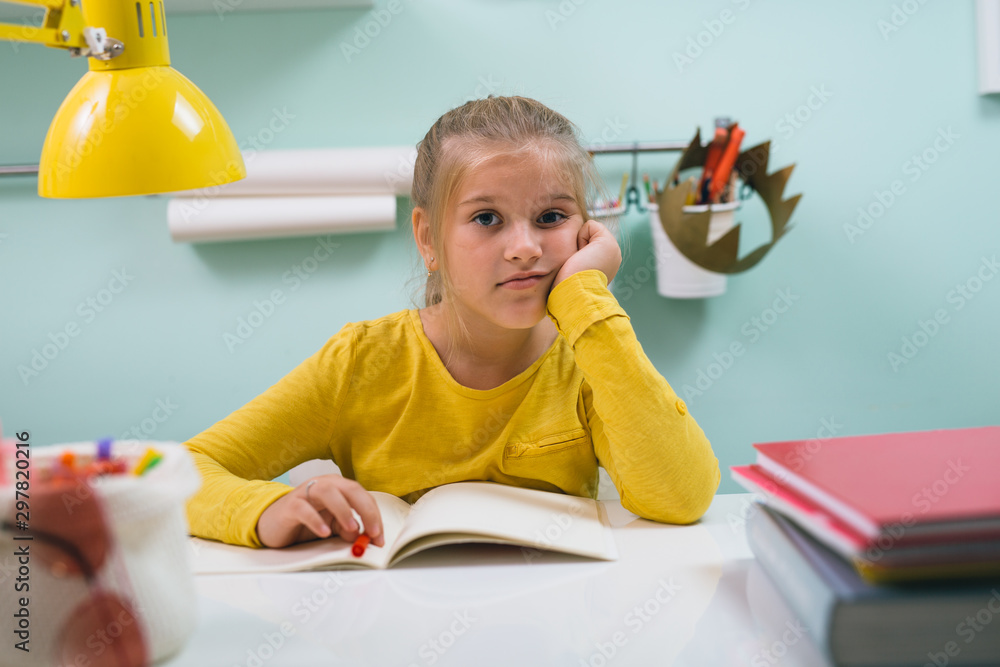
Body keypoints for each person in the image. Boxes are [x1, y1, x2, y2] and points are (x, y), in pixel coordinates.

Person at [183, 96, 721, 550]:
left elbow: (682, 498)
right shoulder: (361, 362)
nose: (525, 248)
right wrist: (267, 509)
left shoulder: (590, 352)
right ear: (427, 239)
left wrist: (585, 294)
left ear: (586, 231)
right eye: (487, 219)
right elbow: (186, 470)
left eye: (552, 217)